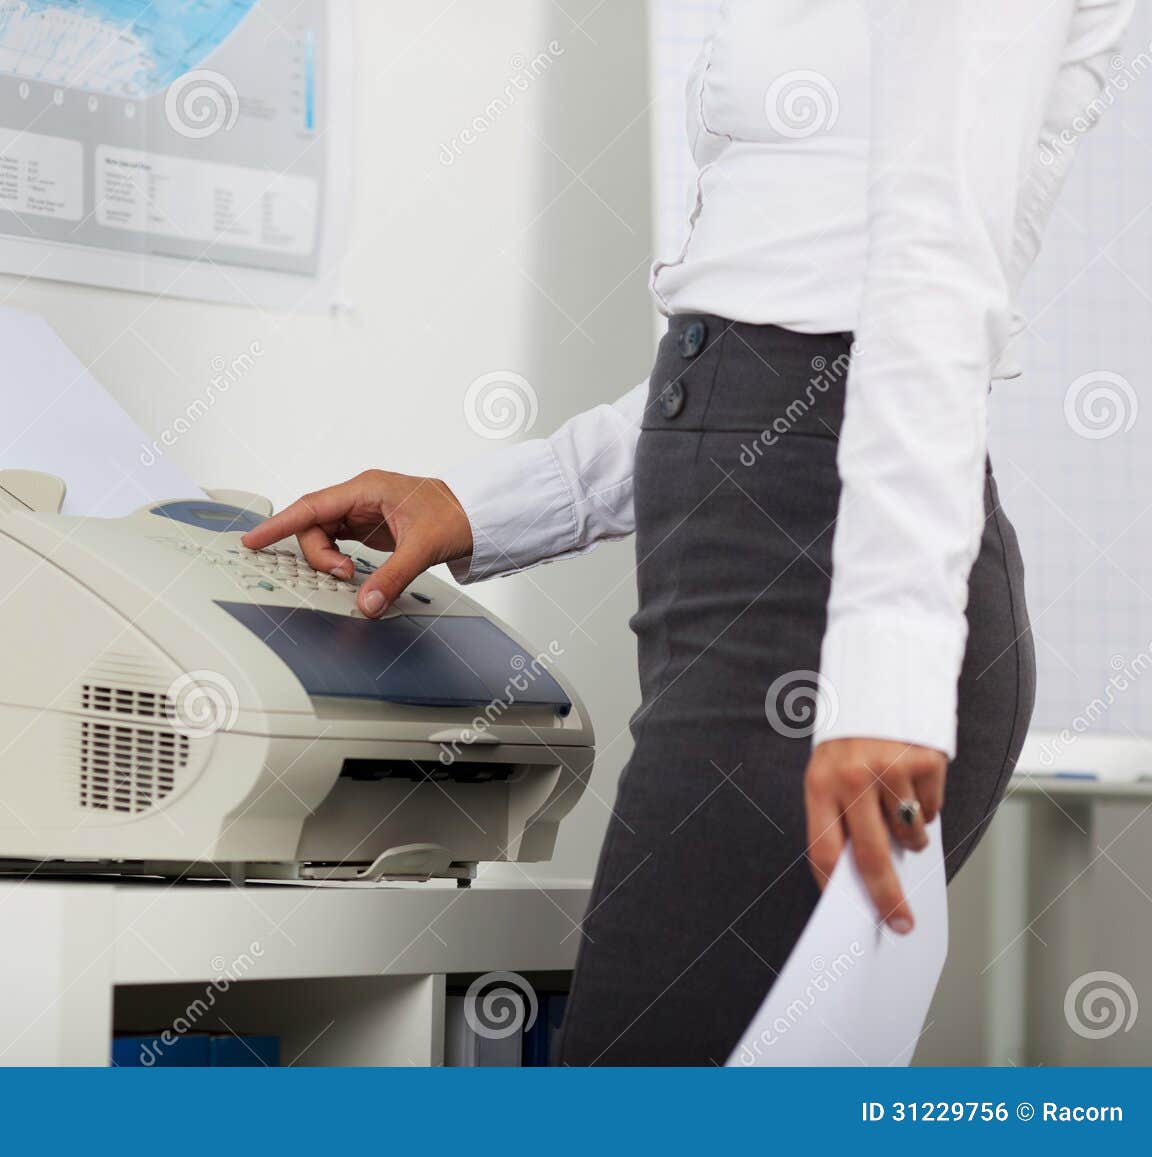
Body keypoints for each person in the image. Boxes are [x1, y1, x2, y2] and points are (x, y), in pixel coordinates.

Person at [242, 0, 1135, 1064]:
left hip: (822, 588)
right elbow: (754, 359)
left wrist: (885, 684)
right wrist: (482, 502)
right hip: (763, 564)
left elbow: (927, 290)